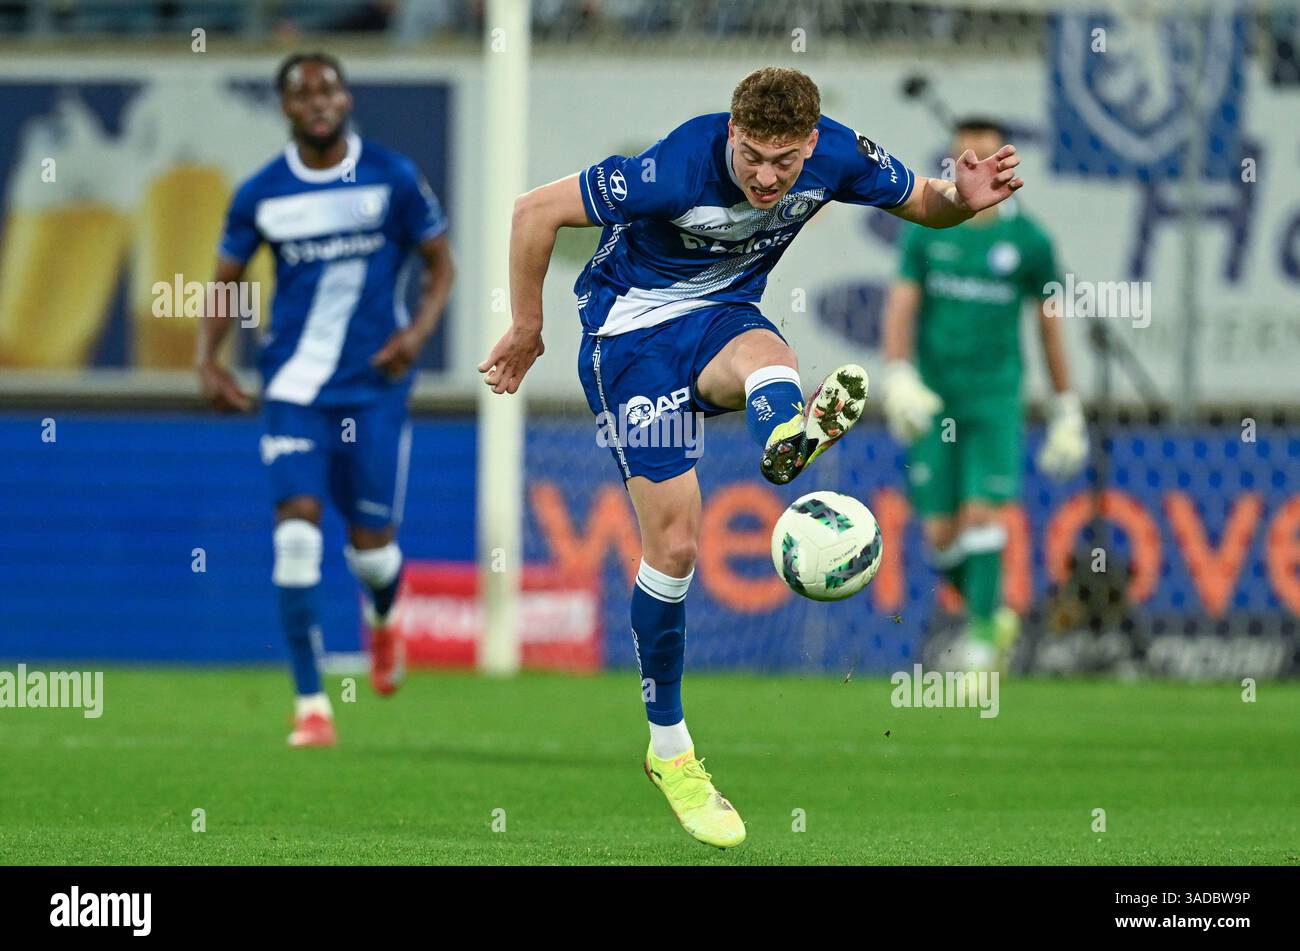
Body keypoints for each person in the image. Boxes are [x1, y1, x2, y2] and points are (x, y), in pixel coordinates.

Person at [480, 67, 1023, 848]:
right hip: (629, 344)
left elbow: (927, 204)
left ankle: (781, 436)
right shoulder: (670, 168)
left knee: (771, 352)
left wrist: (960, 202)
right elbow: (534, 212)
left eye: (785, 161)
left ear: (810, 143)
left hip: (722, 318)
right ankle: (670, 751)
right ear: (732, 134)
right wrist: (528, 326)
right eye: (753, 158)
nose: (768, 178)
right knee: (675, 546)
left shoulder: (837, 155)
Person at [197, 52, 455, 747]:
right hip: (293, 389)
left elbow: (441, 266)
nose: (318, 100)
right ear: (285, 107)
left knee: (372, 552)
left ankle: (383, 616)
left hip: (373, 387)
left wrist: (416, 335)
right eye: (303, 91)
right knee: (296, 533)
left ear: (345, 99)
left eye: (329, 88)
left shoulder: (393, 178)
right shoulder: (260, 194)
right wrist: (207, 359)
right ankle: (312, 704)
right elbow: (225, 280)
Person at [881, 117, 1087, 676]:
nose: (972, 166)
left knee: (981, 514)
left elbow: (1048, 322)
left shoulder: (1029, 240)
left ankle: (977, 649)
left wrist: (1065, 407)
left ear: (1004, 165)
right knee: (940, 535)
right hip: (934, 398)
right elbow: (901, 304)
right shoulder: (926, 229)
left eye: (983, 157)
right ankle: (990, 616)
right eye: (962, 158)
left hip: (994, 398)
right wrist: (898, 373)